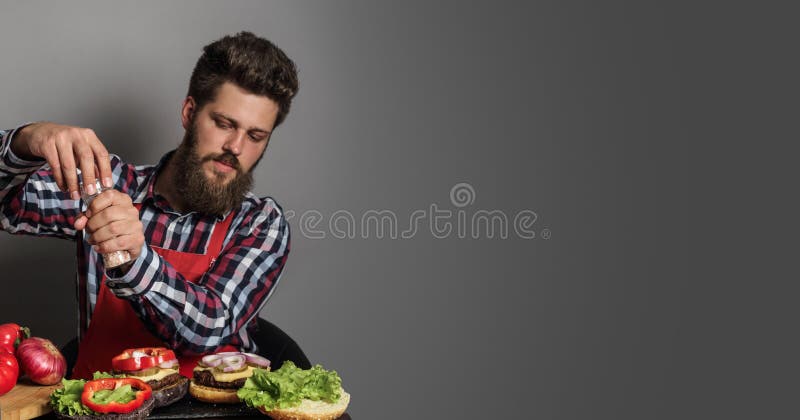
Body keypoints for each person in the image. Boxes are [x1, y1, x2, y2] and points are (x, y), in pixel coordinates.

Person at [0, 32, 298, 378]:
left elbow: (208, 329)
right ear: (189, 113)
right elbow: (6, 206)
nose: (236, 146)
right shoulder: (105, 184)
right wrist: (26, 141)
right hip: (96, 409)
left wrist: (133, 258)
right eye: (224, 124)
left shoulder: (260, 223)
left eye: (255, 136)